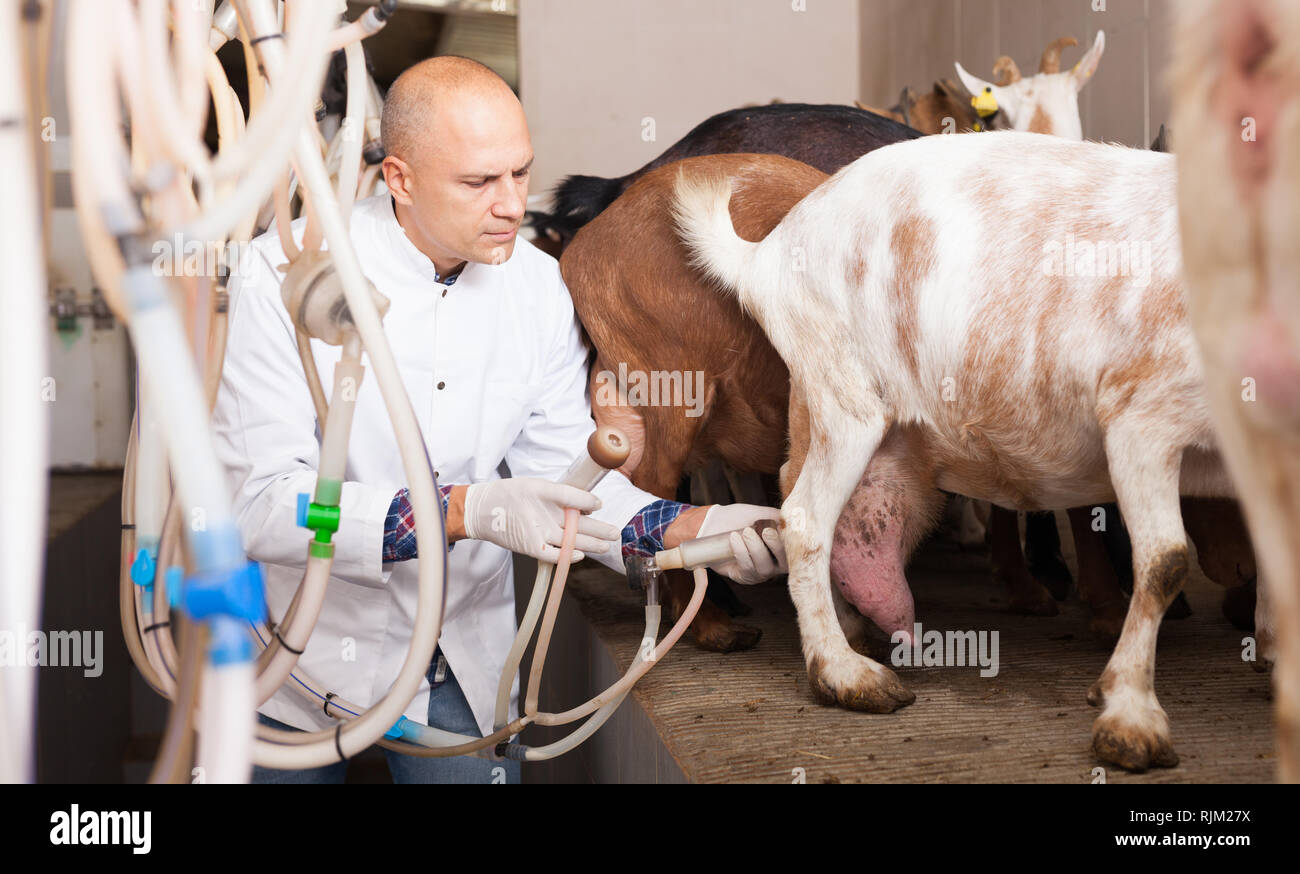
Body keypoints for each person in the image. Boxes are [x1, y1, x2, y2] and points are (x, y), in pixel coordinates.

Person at [210, 55, 787, 784]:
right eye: (480, 182)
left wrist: (697, 531)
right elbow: (264, 506)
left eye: (521, 172)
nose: (513, 204)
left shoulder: (538, 288)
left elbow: (570, 481)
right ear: (400, 179)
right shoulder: (282, 278)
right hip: (297, 655)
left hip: (459, 656)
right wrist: (464, 511)